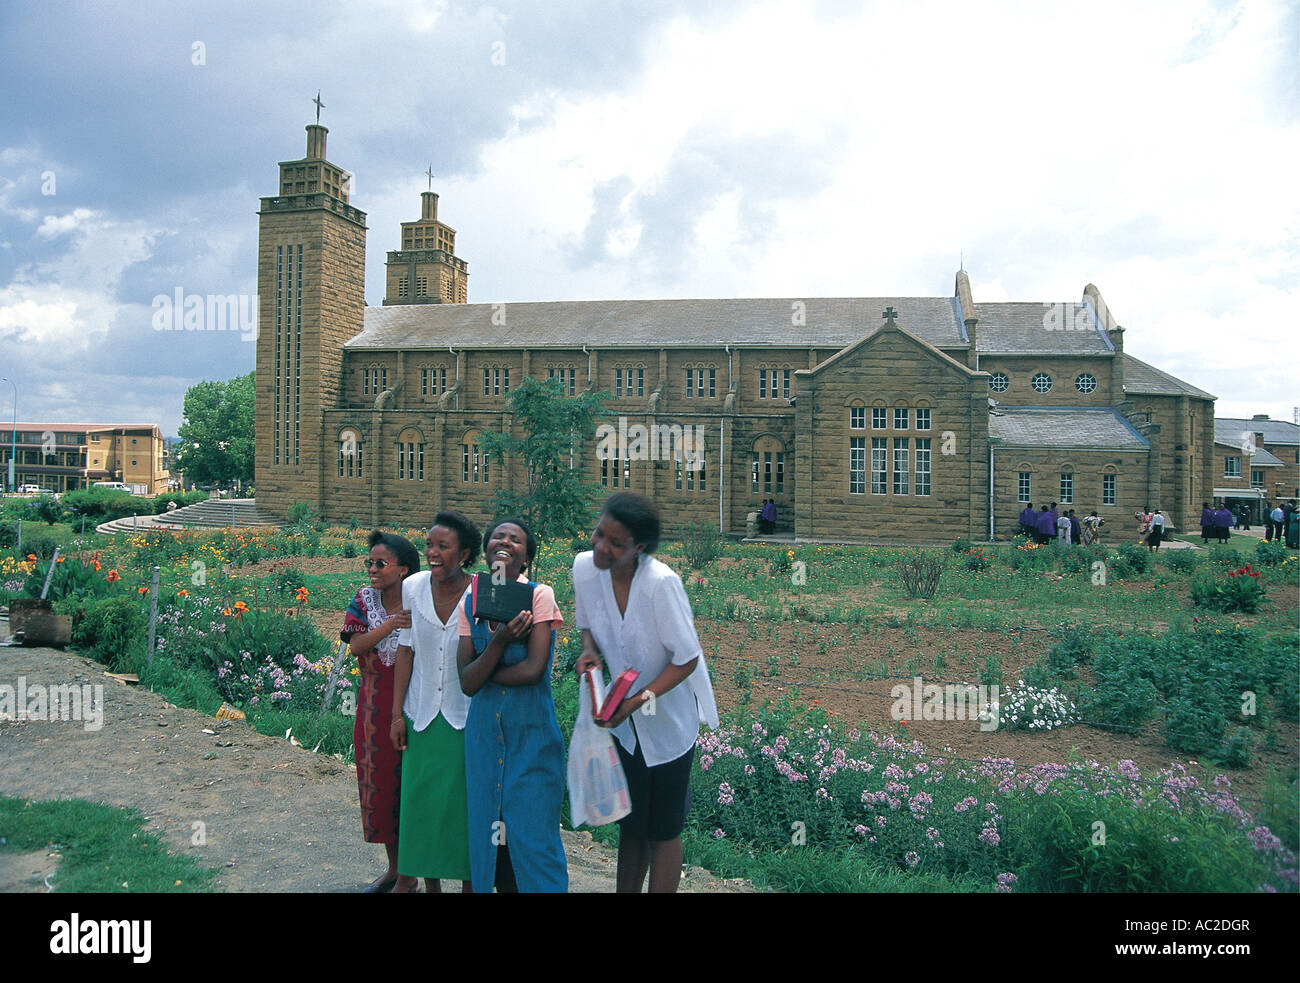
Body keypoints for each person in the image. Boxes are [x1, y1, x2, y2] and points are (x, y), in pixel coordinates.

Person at [573, 492, 719, 893]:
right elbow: (587, 622)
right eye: (599, 534)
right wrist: (589, 651)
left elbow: (686, 658)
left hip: (668, 722)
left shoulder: (660, 584)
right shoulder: (585, 568)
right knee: (631, 823)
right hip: (622, 721)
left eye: (615, 543)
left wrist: (637, 702)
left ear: (639, 548)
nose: (602, 547)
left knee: (663, 829)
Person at [457, 517, 567, 893]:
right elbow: (466, 683)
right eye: (498, 537)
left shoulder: (539, 596)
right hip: (485, 738)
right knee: (492, 839)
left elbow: (534, 670)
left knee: (535, 838)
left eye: (515, 540)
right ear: (487, 550)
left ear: (526, 559)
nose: (504, 542)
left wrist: (482, 670)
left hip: (531, 737)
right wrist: (501, 644)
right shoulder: (469, 600)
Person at [389, 513, 478, 893]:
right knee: (421, 807)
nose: (433, 553)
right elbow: (405, 651)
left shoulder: (481, 592)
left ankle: (471, 885)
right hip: (421, 715)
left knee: (461, 812)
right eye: (429, 545)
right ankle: (425, 886)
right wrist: (396, 716)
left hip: (466, 718)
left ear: (465, 553)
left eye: (443, 546)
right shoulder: (412, 587)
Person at [340, 530, 419, 893]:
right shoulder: (364, 601)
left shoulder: (420, 599)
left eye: (380, 563)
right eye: (369, 562)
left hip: (413, 705)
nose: (372, 569)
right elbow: (356, 646)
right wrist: (390, 624)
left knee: (410, 789)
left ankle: (410, 876)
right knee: (380, 788)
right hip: (373, 707)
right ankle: (394, 869)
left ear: (402, 570)